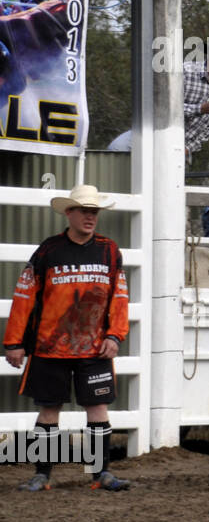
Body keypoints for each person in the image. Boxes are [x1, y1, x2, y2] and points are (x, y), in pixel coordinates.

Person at [4, 185, 131, 491]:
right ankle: (42, 475)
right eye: (84, 211)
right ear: (68, 213)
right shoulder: (48, 250)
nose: (90, 217)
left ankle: (101, 474)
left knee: (98, 409)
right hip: (49, 347)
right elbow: (24, 296)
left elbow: (120, 298)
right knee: (49, 410)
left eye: (94, 212)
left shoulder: (110, 251)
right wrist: (14, 342)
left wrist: (115, 335)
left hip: (94, 348)